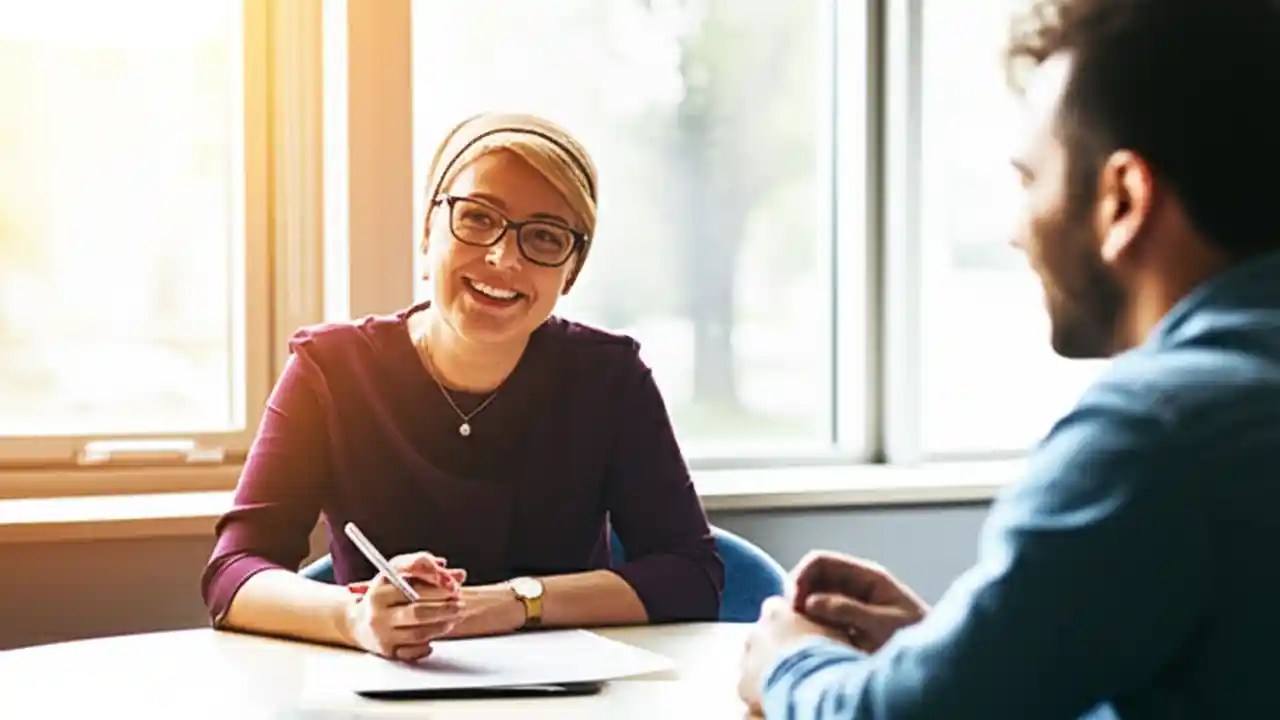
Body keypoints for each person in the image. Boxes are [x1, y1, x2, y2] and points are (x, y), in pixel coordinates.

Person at [739, 0, 1280, 716]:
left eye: (1029, 181)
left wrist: (791, 660)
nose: (1014, 233)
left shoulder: (1158, 433)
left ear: (1124, 198)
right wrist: (964, 649)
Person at [202, 112, 724, 662]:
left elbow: (691, 575)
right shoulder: (331, 369)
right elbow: (234, 573)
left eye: (544, 237)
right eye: (477, 219)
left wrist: (515, 602)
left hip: (564, 698)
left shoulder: (610, 378)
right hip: (381, 691)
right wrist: (354, 619)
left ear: (569, 272)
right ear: (428, 230)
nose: (504, 258)